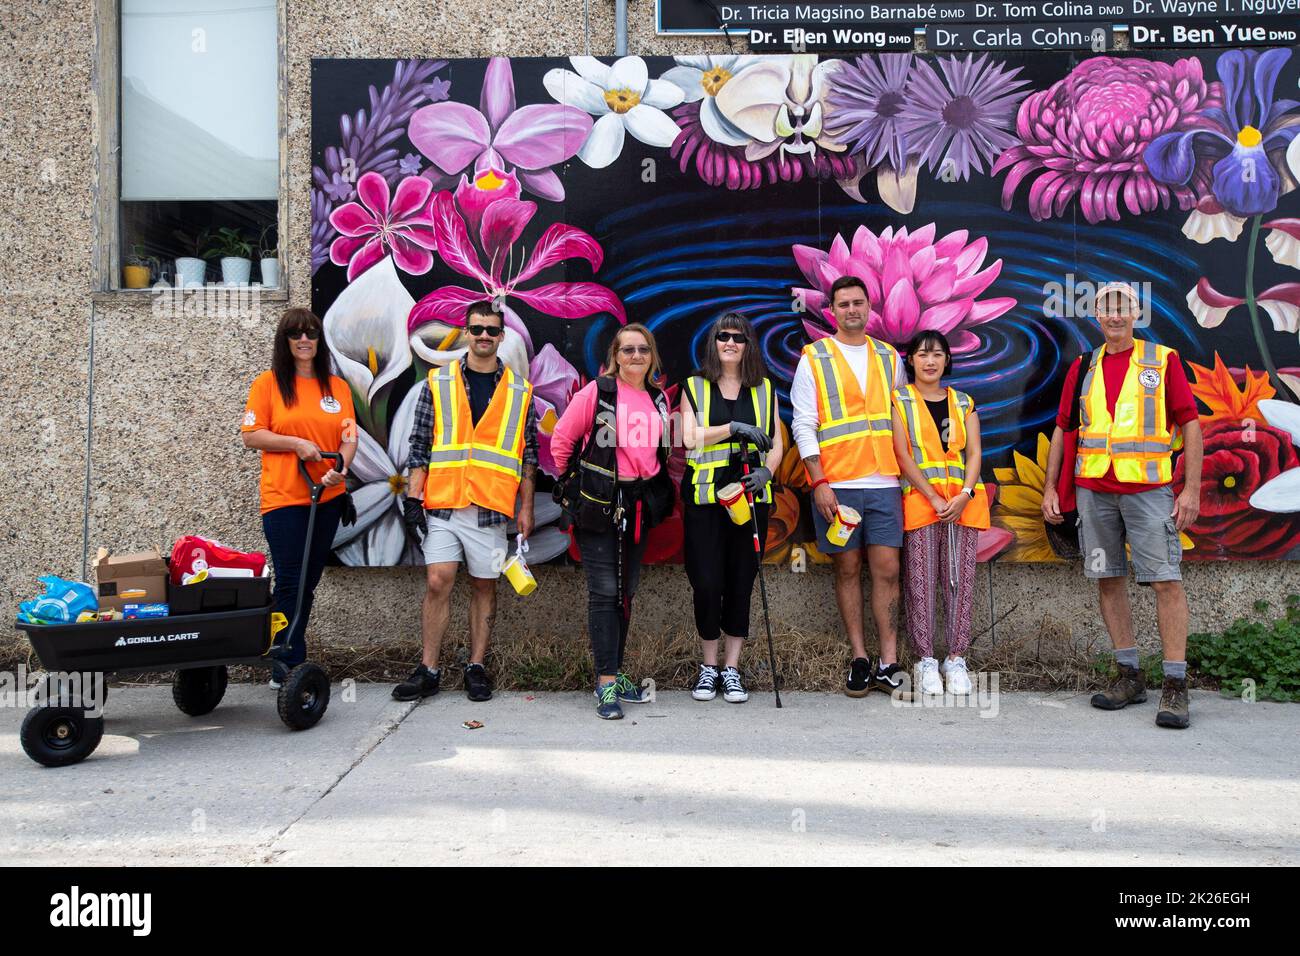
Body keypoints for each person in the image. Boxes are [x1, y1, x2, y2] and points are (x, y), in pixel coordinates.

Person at [1042, 282, 1203, 729]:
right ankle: (1129, 675)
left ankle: (1175, 685)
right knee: (1107, 578)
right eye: (1106, 310)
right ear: (1096, 318)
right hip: (1094, 492)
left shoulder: (1162, 360)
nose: (1115, 316)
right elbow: (1064, 429)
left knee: (1166, 580)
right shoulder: (1083, 366)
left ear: (1136, 314)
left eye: (1123, 309)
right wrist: (1050, 487)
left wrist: (1191, 489)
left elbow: (1190, 423)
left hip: (1149, 492)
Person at [394, 301, 538, 703]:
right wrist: (412, 497)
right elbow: (419, 444)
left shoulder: (519, 391)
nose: (484, 337)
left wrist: (526, 508)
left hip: (491, 509)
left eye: (492, 330)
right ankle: (429, 669)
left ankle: (476, 666)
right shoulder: (437, 383)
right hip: (443, 503)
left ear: (501, 336)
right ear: (466, 332)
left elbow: (529, 455)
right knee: (438, 580)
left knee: (484, 585)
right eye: (477, 329)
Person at [791, 275, 908, 697]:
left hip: (885, 482)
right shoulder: (815, 357)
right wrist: (818, 481)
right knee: (847, 568)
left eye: (859, 302)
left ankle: (889, 661)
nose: (852, 310)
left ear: (869, 307)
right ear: (832, 311)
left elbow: (901, 418)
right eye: (844, 304)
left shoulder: (889, 357)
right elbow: (803, 423)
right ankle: (860, 658)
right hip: (837, 484)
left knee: (888, 570)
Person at [552, 323, 674, 720]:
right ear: (614, 357)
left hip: (638, 505)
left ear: (652, 356)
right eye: (627, 350)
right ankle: (606, 685)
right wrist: (573, 484)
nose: (635, 356)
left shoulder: (657, 400)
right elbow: (561, 440)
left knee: (626, 591)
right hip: (600, 504)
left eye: (642, 350)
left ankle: (616, 673)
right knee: (604, 592)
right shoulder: (598, 393)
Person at [241, 307, 358, 688]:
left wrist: (340, 465)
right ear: (286, 342)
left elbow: (348, 437)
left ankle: (288, 652)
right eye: (296, 335)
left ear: (319, 341)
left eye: (310, 334)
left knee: (307, 581)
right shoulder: (268, 384)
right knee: (291, 580)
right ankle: (286, 658)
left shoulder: (337, 388)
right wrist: (296, 444)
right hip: (285, 498)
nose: (304, 340)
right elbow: (252, 435)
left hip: (327, 496)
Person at [680, 312, 783, 704]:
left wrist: (767, 473)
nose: (730, 343)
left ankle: (731, 669)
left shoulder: (765, 389)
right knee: (707, 583)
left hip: (750, 499)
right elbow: (688, 437)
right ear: (713, 342)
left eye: (738, 338)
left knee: (741, 583)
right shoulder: (694, 386)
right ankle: (708, 667)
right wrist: (733, 428)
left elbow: (775, 443)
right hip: (706, 500)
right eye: (723, 336)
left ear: (748, 345)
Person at [891, 331, 990, 696]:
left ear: (947, 360)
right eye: (922, 354)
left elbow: (975, 453)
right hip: (922, 502)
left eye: (936, 354)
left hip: (962, 504)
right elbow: (903, 455)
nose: (929, 361)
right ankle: (926, 660)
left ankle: (957, 657)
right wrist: (932, 497)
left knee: (959, 583)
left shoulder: (963, 403)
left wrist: (964, 493)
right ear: (911, 360)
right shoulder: (900, 401)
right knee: (921, 583)